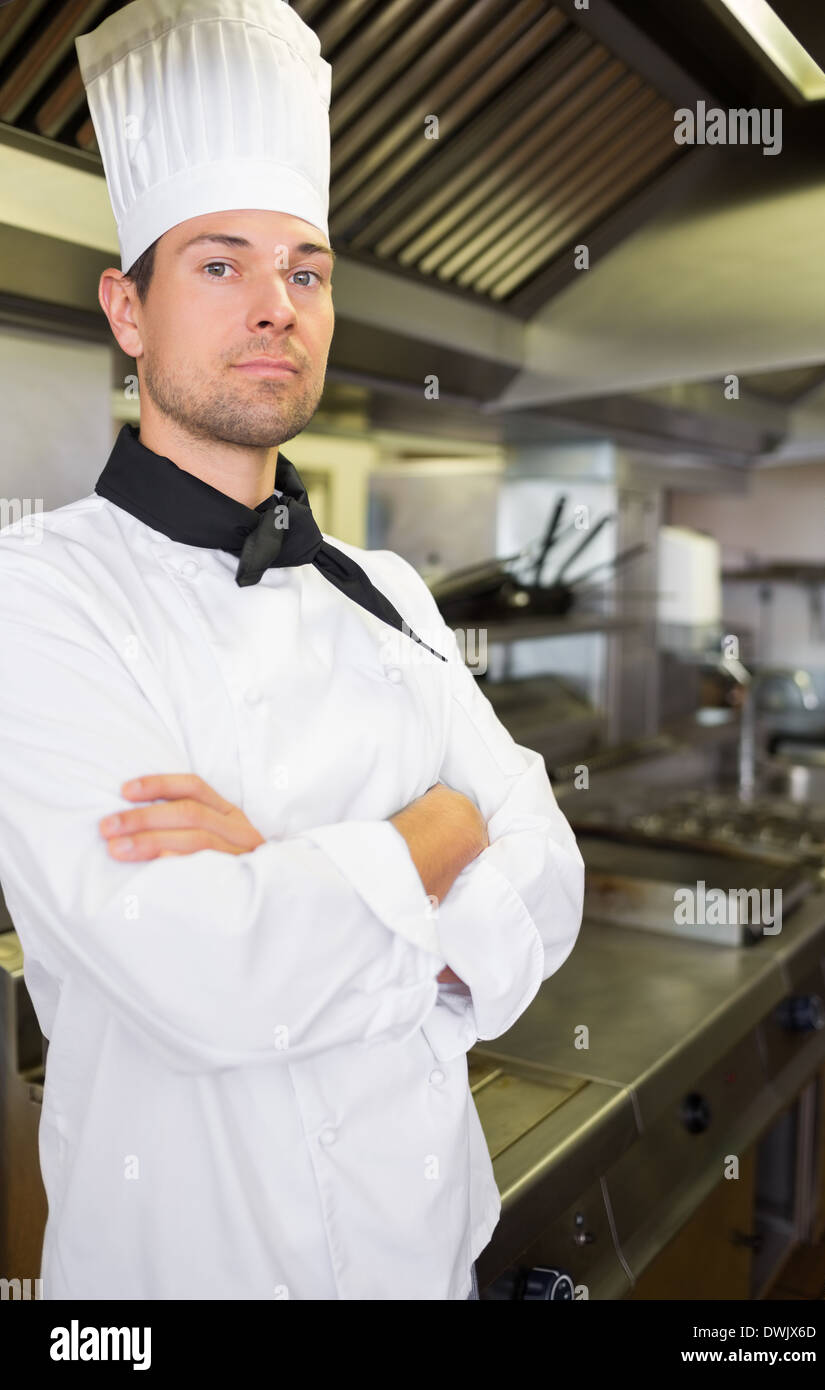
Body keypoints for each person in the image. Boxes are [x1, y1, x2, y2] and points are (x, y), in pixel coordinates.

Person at [0, 0, 584, 1300]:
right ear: (127, 309)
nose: (275, 305)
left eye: (304, 270)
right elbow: (208, 978)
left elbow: (547, 874)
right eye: (219, 264)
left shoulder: (385, 590)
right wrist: (428, 841)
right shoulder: (36, 599)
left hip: (424, 1257)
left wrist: (288, 873)